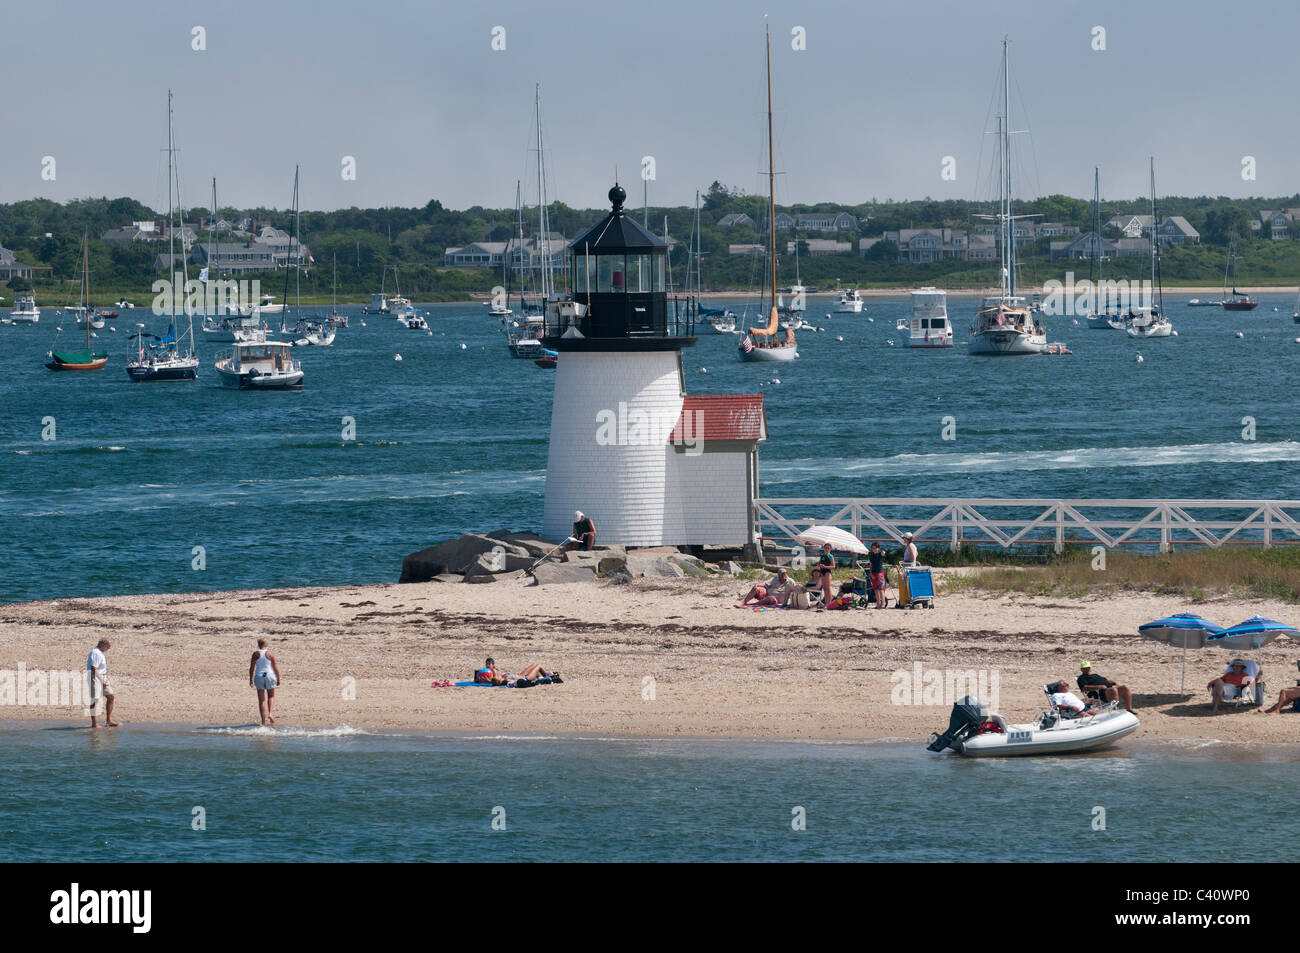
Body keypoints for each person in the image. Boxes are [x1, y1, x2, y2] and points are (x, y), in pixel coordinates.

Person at [249, 638, 282, 726]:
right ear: (266, 645)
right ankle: (270, 713)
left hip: (259, 676)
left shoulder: (255, 654)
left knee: (261, 700)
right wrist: (278, 678)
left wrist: (250, 680)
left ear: (258, 645)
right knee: (271, 696)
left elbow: (252, 668)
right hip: (270, 675)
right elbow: (275, 668)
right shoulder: (270, 654)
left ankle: (263, 721)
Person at [86, 638, 118, 728]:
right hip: (94, 677)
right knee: (95, 700)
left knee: (111, 696)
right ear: (103, 644)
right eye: (107, 647)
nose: (107, 649)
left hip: (102, 676)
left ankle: (109, 720)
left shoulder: (100, 653)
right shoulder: (95, 653)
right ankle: (94, 723)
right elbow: (93, 668)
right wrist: (101, 680)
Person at [868, 541, 887, 608]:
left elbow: (883, 554)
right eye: (872, 548)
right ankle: (878, 603)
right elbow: (870, 565)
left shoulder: (879, 554)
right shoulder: (871, 555)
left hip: (879, 573)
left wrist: (883, 552)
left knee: (881, 589)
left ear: (878, 548)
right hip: (873, 573)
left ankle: (883, 603)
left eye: (875, 548)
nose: (874, 549)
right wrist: (870, 573)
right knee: (876, 589)